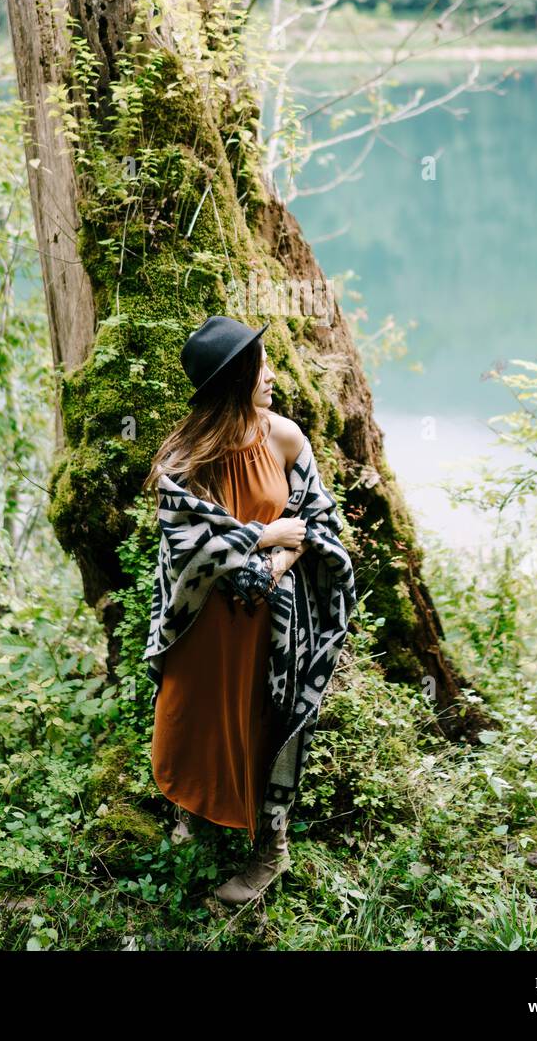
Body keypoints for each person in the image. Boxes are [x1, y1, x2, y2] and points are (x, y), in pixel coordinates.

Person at [142, 315, 355, 906]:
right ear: (234, 379)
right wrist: (265, 538)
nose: (272, 374)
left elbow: (316, 525)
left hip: (270, 626)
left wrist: (279, 563)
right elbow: (187, 543)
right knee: (193, 717)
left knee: (264, 724)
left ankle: (272, 852)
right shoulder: (186, 455)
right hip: (203, 621)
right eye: (260, 366)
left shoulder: (285, 439)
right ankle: (194, 809)